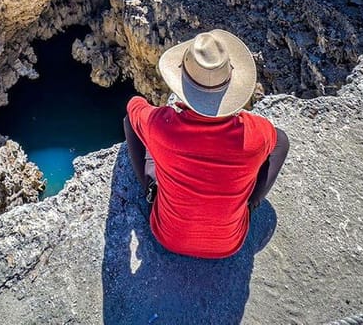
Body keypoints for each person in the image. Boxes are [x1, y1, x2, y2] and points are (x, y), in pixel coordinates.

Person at [124, 29, 289, 259]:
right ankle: (250, 204)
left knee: (132, 126)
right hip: (229, 243)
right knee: (280, 140)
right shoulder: (256, 132)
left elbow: (133, 107)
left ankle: (150, 191)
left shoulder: (162, 126)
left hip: (168, 237)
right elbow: (281, 142)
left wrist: (146, 106)